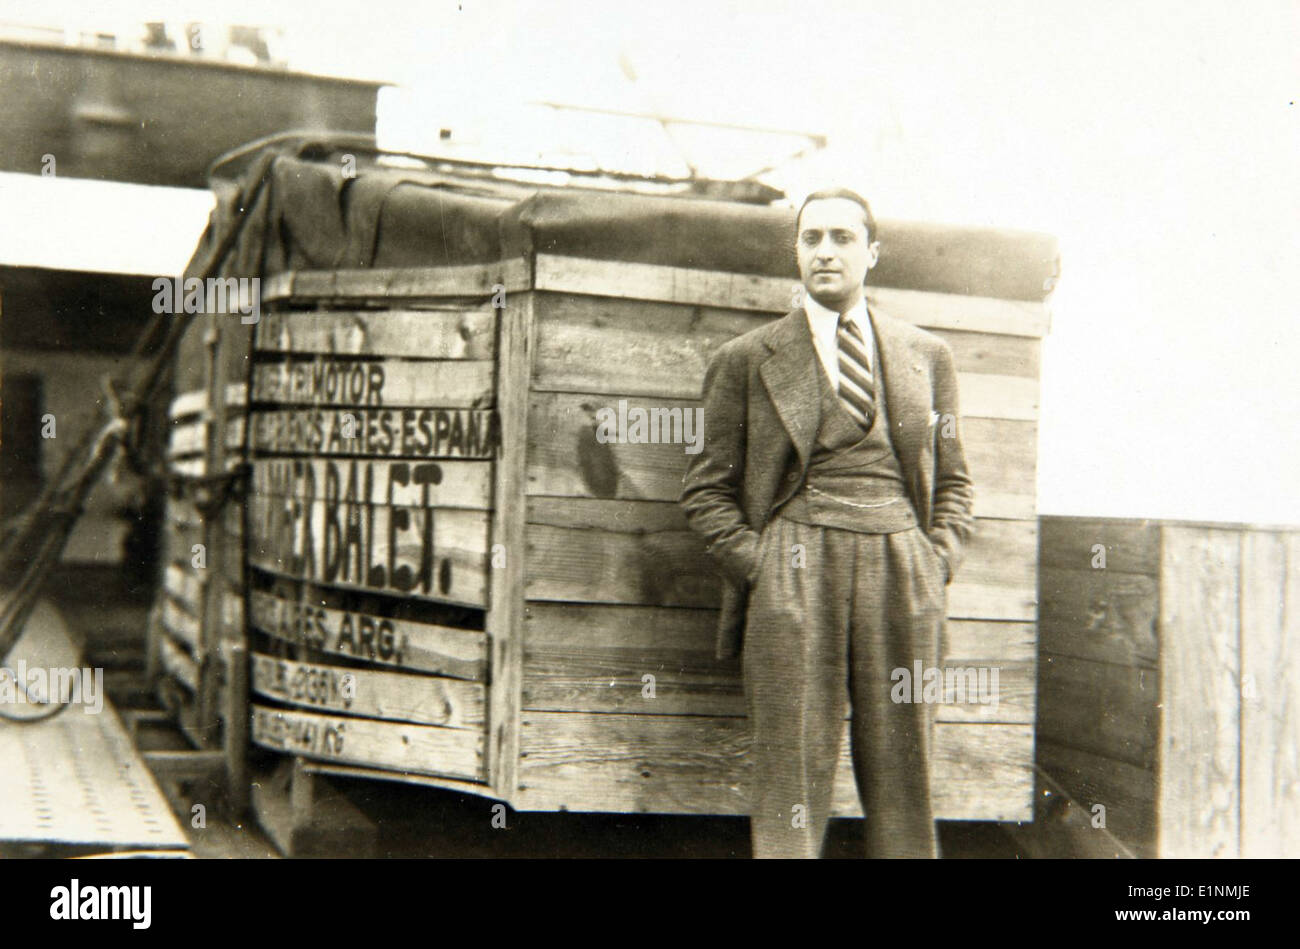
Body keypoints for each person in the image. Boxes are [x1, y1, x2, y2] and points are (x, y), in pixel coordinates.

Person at [679, 188, 975, 858]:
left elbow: (955, 479)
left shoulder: (926, 355)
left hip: (902, 566)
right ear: (796, 252)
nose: (824, 252)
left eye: (841, 237)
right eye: (811, 238)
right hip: (794, 566)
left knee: (906, 768)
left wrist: (936, 560)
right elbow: (704, 491)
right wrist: (762, 566)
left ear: (872, 252)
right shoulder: (747, 357)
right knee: (790, 766)